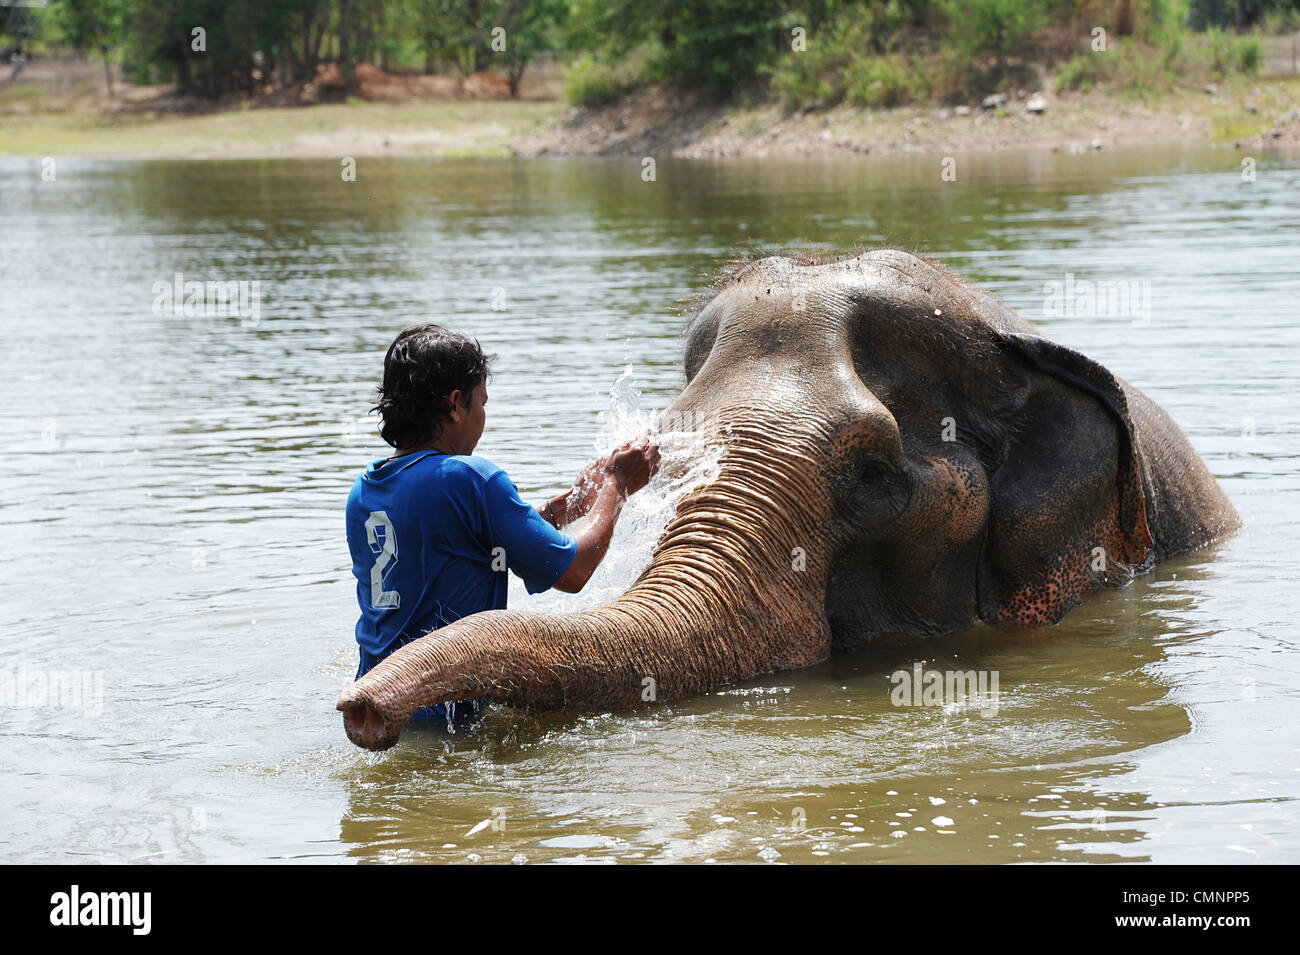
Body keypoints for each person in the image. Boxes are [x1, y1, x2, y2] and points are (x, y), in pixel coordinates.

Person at [345, 323, 660, 725]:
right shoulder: (472, 477)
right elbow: (574, 571)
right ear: (456, 404)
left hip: (378, 711)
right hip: (450, 721)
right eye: (483, 403)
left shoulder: (365, 488)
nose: (484, 417)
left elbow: (468, 543)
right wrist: (618, 484)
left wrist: (575, 501)